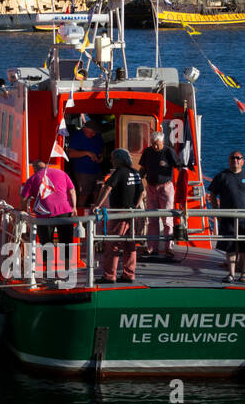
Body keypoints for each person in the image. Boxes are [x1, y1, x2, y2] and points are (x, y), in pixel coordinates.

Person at [19, 160, 77, 284]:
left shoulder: (33, 178)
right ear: (46, 166)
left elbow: (24, 198)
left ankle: (49, 274)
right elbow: (72, 191)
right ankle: (67, 273)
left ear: (34, 169)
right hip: (65, 211)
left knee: (47, 243)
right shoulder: (61, 173)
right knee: (66, 242)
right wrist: (75, 207)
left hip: (44, 214)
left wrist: (25, 212)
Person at [207, 151, 245, 282]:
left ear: (243, 161)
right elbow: (213, 194)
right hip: (227, 217)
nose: (235, 160)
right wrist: (216, 211)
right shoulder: (222, 176)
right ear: (228, 160)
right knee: (229, 246)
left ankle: (244, 272)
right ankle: (231, 273)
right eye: (232, 158)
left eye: (238, 158)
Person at [94, 148, 144, 283]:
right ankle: (129, 274)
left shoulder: (119, 172)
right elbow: (141, 192)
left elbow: (108, 187)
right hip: (131, 213)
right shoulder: (135, 173)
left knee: (113, 244)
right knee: (130, 244)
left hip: (119, 213)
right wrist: (135, 206)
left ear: (118, 160)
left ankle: (109, 275)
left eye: (112, 158)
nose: (111, 161)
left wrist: (97, 205)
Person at [139, 130, 183, 259]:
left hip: (165, 188)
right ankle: (151, 247)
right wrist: (137, 182)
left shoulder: (169, 152)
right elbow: (143, 168)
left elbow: (179, 166)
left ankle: (169, 247)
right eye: (153, 143)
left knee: (167, 219)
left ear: (162, 141)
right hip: (151, 188)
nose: (155, 146)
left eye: (157, 144)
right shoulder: (147, 152)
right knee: (152, 219)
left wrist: (181, 182)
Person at [66, 119, 105, 208]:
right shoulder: (77, 136)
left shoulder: (97, 135)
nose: (94, 135)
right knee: (84, 195)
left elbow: (102, 148)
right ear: (85, 129)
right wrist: (87, 153)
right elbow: (70, 154)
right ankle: (79, 217)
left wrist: (101, 156)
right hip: (82, 171)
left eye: (95, 132)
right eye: (92, 133)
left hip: (97, 169)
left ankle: (96, 217)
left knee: (98, 194)